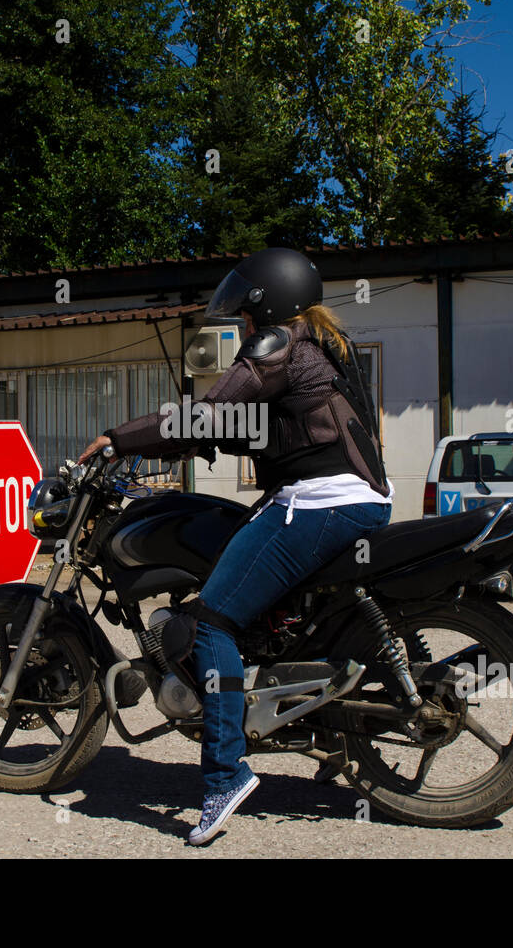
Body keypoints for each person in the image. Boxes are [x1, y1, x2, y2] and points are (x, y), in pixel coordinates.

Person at [78, 247, 392, 845]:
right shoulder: (326, 348)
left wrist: (120, 439)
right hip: (354, 498)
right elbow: (263, 425)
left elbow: (209, 412)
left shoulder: (278, 345)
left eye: (246, 316)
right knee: (262, 606)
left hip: (321, 501)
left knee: (212, 622)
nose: (245, 329)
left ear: (264, 303)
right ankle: (314, 725)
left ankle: (225, 775)